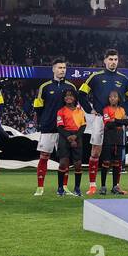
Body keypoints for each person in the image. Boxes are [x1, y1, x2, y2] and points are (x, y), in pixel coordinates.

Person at [80, 48, 128, 197]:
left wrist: (124, 111)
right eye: (110, 59)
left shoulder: (124, 79)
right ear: (104, 61)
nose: (113, 62)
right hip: (99, 120)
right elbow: (81, 93)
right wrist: (89, 109)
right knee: (96, 152)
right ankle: (93, 185)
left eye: (115, 60)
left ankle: (116, 186)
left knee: (117, 154)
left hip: (117, 122)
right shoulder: (95, 77)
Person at [32, 58, 85, 197]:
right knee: (44, 156)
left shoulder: (71, 87)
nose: (62, 70)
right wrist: (44, 121)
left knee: (65, 159)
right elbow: (38, 107)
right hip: (48, 127)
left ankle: (64, 187)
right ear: (53, 69)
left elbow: (75, 108)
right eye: (59, 67)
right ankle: (40, 187)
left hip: (66, 130)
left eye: (64, 68)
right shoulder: (45, 87)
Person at [55, 89, 87, 197]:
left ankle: (77, 188)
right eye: (66, 96)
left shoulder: (80, 111)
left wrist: (75, 136)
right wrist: (69, 137)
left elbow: (83, 126)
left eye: (71, 95)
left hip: (77, 137)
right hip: (65, 137)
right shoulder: (61, 111)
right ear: (63, 98)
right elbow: (59, 127)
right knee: (63, 163)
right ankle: (60, 188)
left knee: (78, 164)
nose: (68, 97)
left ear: (75, 98)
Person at [99, 90, 128, 194]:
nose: (112, 98)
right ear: (108, 99)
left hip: (119, 139)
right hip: (108, 139)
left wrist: (115, 120)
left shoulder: (122, 110)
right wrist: (120, 122)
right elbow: (108, 125)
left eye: (115, 96)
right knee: (106, 163)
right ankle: (103, 186)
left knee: (117, 164)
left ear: (118, 98)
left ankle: (115, 187)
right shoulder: (106, 109)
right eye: (111, 97)